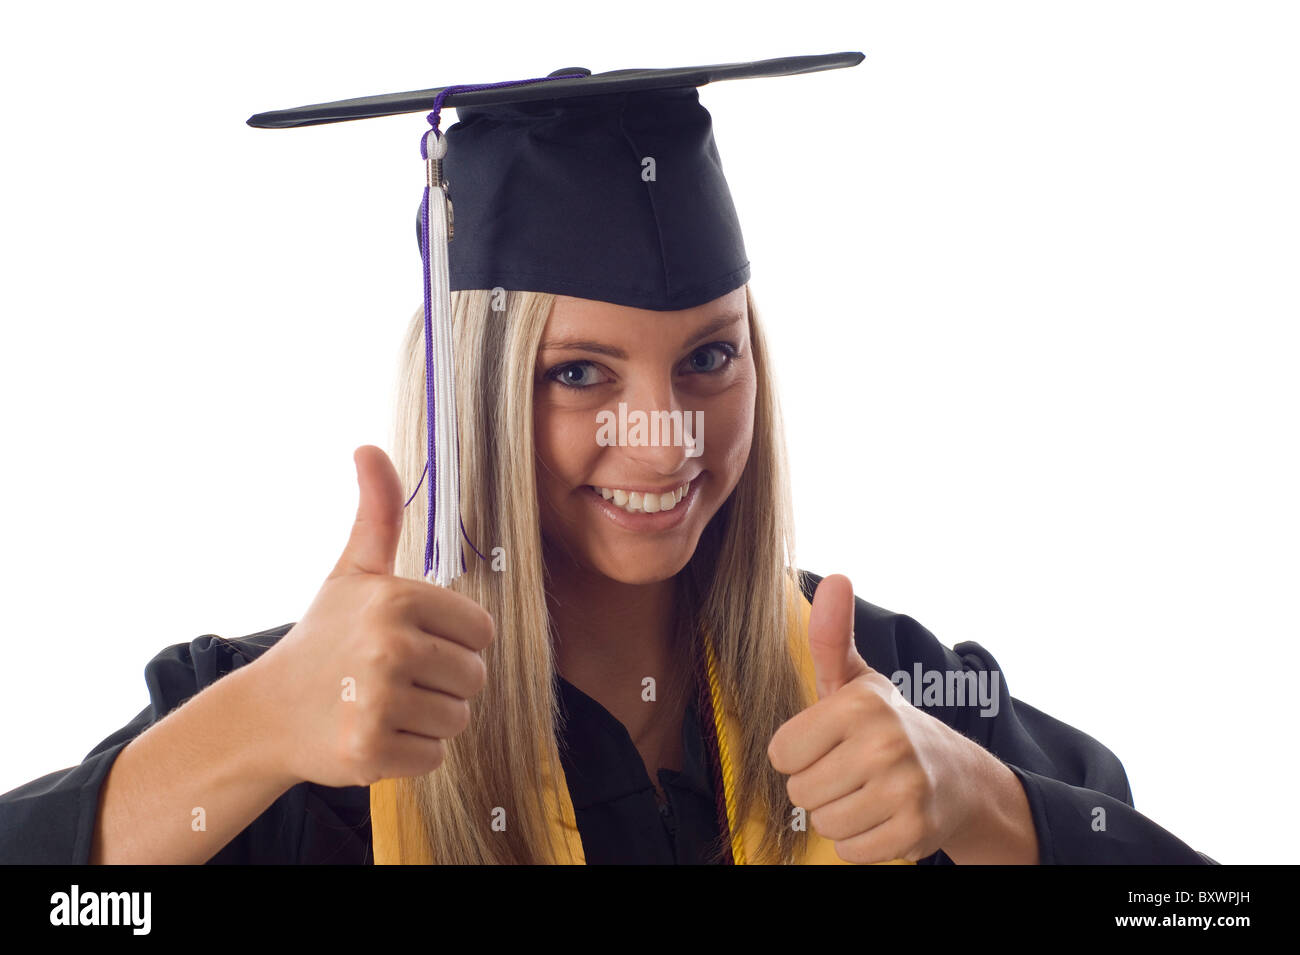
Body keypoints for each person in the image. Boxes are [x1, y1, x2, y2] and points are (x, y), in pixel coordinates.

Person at [0, 54, 1216, 865]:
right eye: (577, 373)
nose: (664, 432)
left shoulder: (883, 688)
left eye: (707, 359)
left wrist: (992, 807)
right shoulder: (317, 724)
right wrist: (247, 737)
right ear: (472, 395)